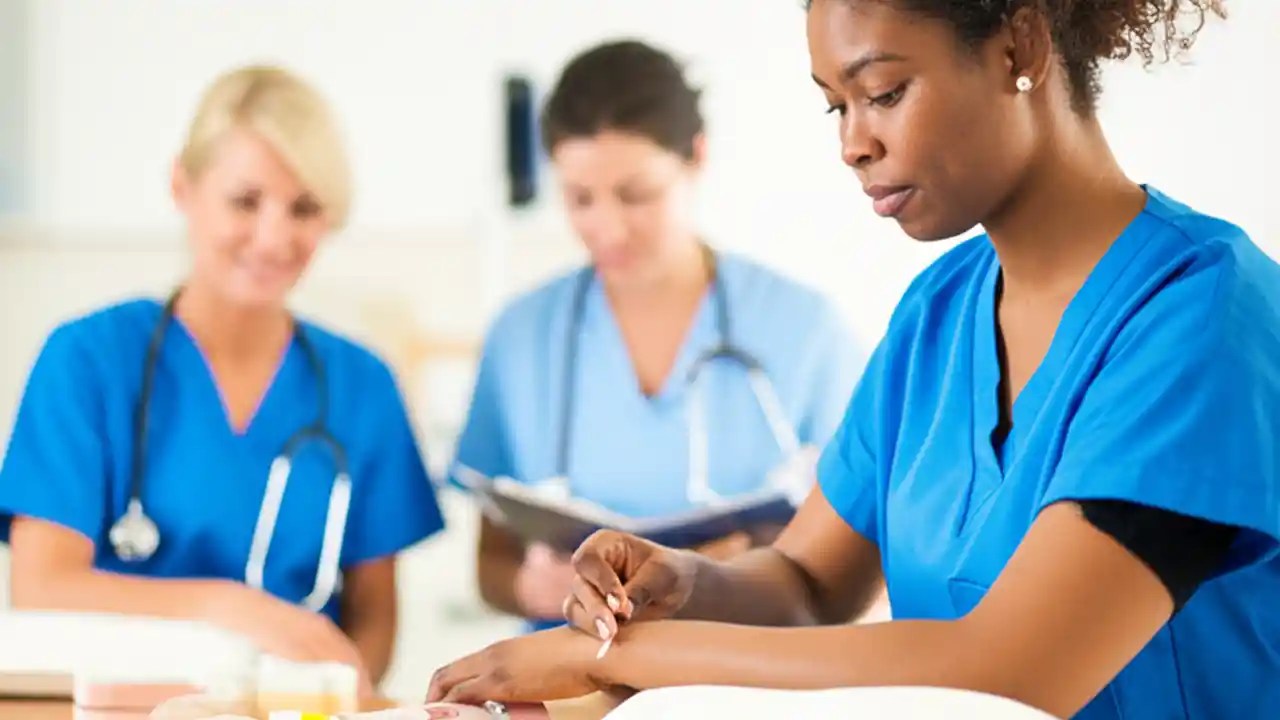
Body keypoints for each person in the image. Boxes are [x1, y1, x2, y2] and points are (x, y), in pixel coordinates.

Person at [427, 1, 1280, 718]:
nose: (853, 145)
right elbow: (804, 584)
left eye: (883, 92)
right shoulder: (936, 315)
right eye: (836, 107)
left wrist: (614, 658)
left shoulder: (1201, 314)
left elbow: (1009, 672)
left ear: (1019, 47)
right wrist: (681, 582)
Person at [0, 65, 445, 692]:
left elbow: (373, 624)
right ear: (182, 187)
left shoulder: (361, 385)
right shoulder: (87, 360)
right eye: (245, 201)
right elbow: (41, 587)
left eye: (305, 208)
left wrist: (325, 698)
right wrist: (234, 610)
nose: (273, 237)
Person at [450, 40, 862, 634]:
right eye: (579, 198)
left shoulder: (804, 328)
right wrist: (529, 585)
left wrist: (739, 565)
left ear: (696, 157)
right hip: (576, 685)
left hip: (742, 675)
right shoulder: (522, 337)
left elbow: (858, 554)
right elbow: (492, 562)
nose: (606, 226)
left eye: (635, 195)